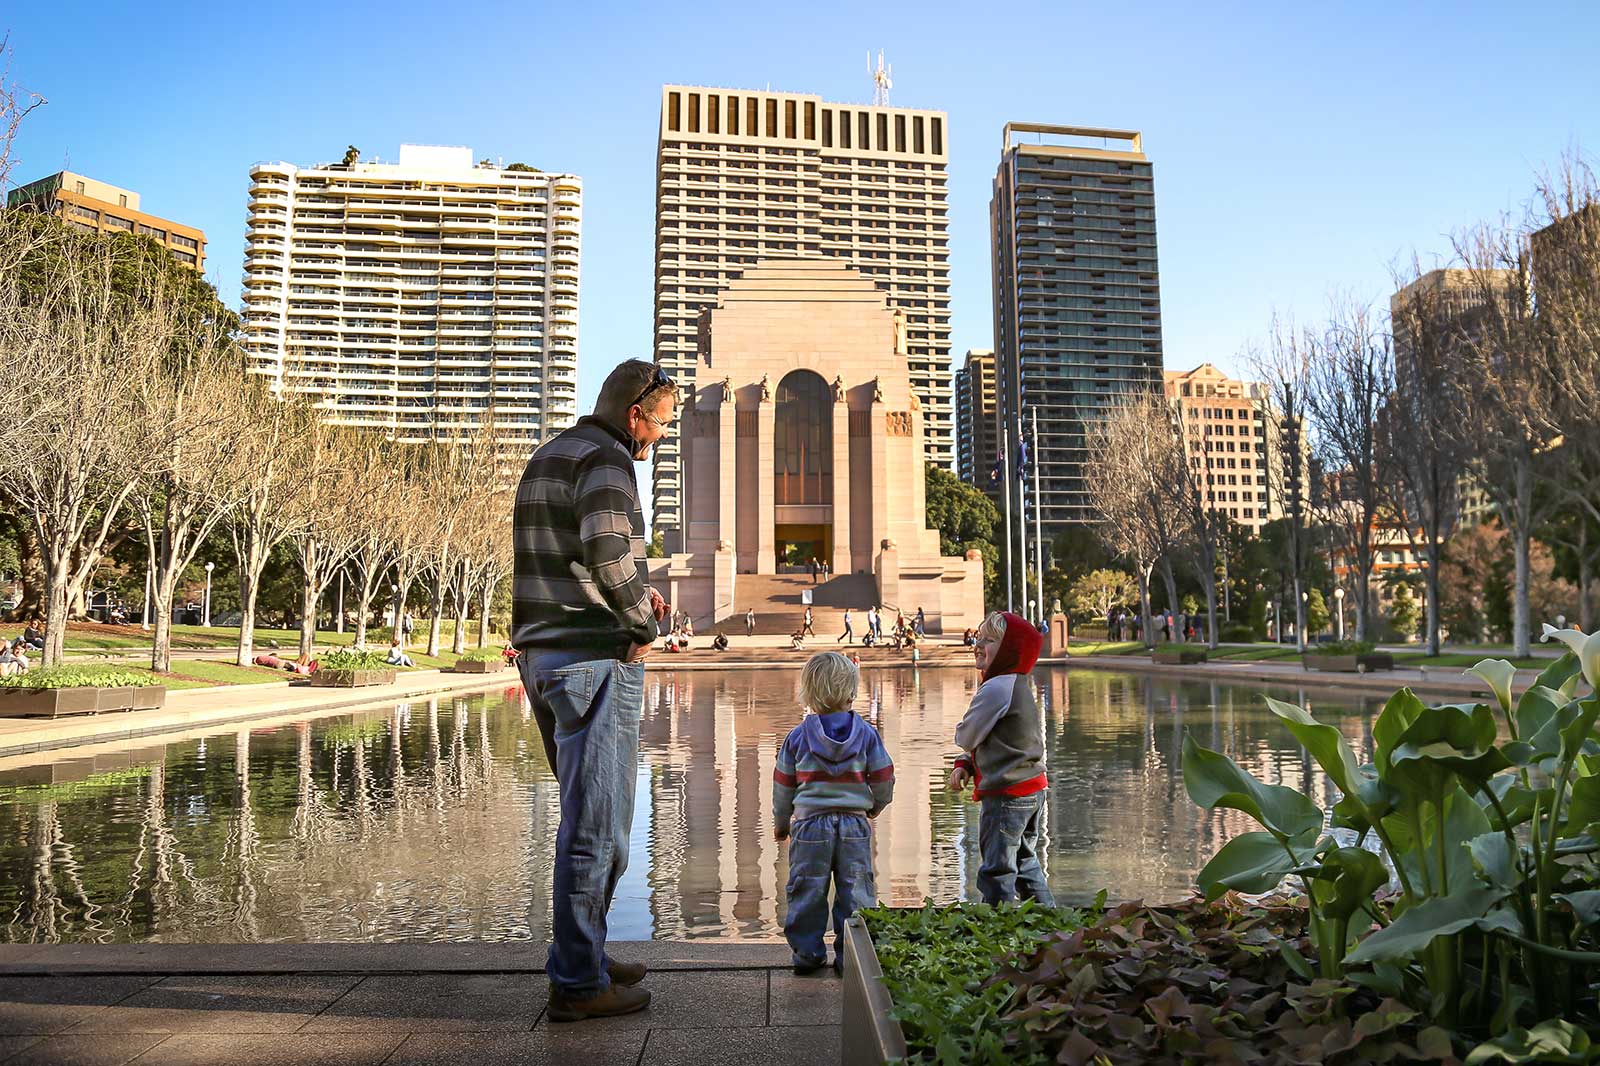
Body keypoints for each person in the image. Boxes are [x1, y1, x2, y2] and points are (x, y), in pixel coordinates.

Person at [511, 358, 676, 1022]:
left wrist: (638, 591)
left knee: (592, 818)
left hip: (545, 655)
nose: (659, 437)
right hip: (591, 661)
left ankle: (588, 956)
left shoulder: (553, 453)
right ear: (634, 415)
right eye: (659, 424)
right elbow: (608, 551)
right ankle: (579, 983)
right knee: (597, 827)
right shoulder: (608, 460)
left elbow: (576, 558)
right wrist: (642, 624)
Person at [774, 652, 894, 975]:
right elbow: (884, 777)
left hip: (810, 826)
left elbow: (783, 786)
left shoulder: (797, 737)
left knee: (806, 889)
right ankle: (851, 957)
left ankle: (807, 954)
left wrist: (781, 823)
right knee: (856, 890)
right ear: (851, 692)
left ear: (808, 693)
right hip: (854, 823)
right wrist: (876, 805)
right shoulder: (867, 734)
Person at [947, 611, 1055, 907]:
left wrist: (965, 751)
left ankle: (998, 926)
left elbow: (966, 736)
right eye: (979, 638)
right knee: (1025, 864)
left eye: (989, 641)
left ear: (1010, 650)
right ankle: (1050, 920)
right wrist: (967, 763)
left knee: (997, 871)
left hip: (1007, 795)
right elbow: (1001, 742)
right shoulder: (1016, 684)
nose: (978, 645)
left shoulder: (997, 687)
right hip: (1031, 789)